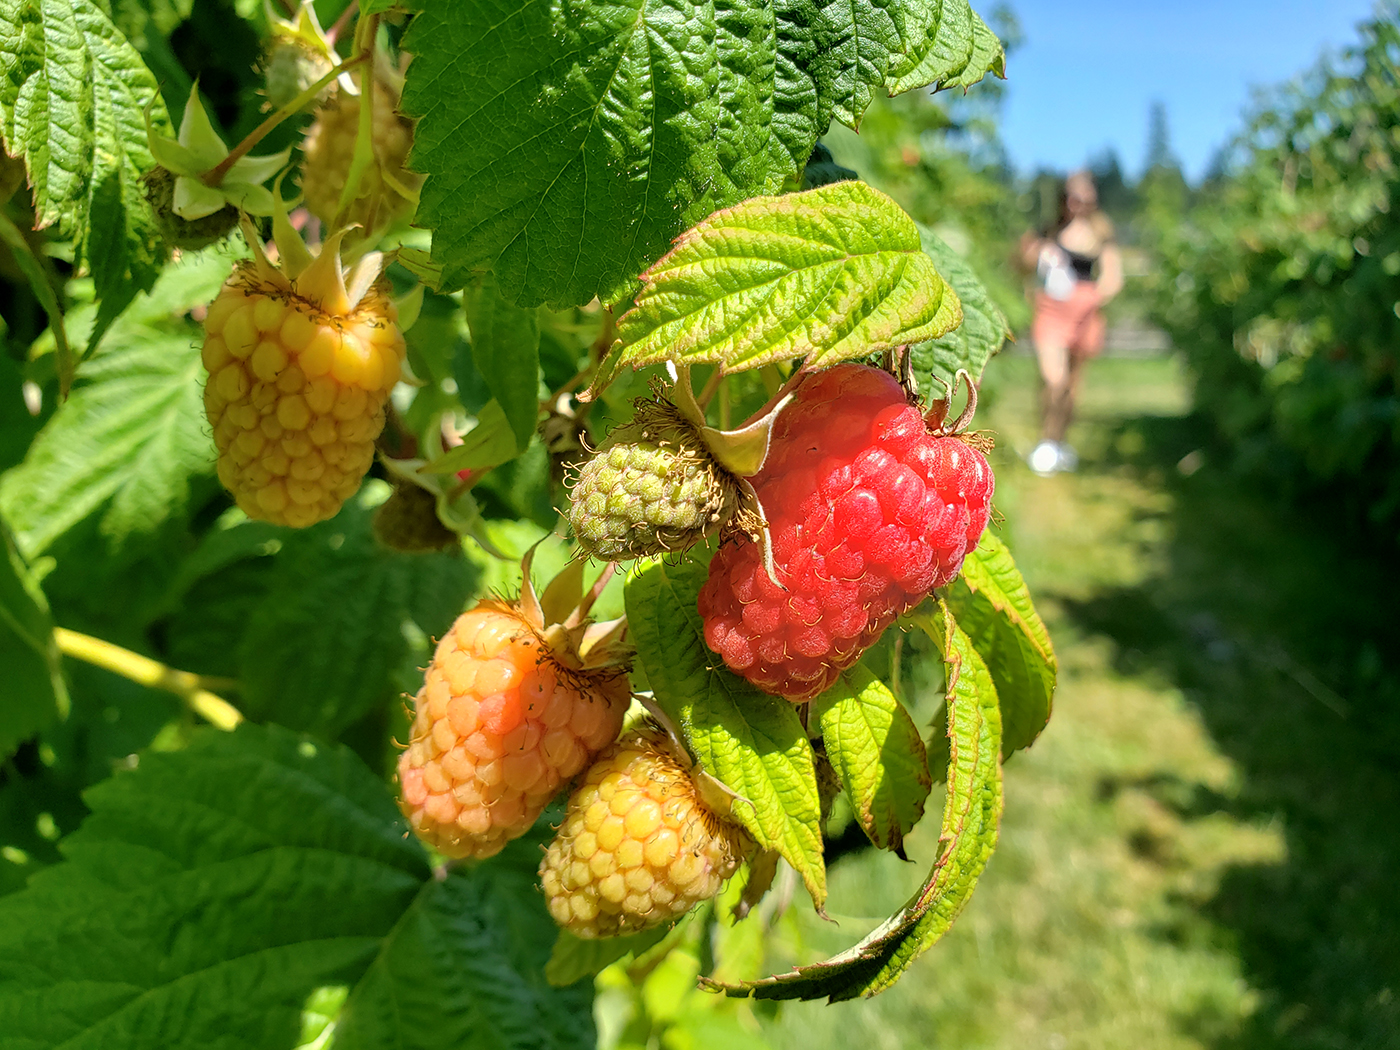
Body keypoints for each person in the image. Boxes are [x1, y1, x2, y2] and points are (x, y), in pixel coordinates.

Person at [1018, 170, 1123, 475]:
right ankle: (1047, 441)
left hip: (1085, 313)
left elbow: (1113, 276)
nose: (1077, 203)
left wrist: (1096, 296)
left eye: (1084, 197)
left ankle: (1059, 441)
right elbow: (1023, 266)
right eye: (1072, 196)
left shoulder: (1101, 233)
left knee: (1072, 385)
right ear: (1063, 199)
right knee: (1054, 378)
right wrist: (1034, 254)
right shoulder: (1048, 232)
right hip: (1052, 309)